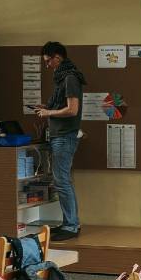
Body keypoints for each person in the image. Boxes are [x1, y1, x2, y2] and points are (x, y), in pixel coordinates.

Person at [35, 42, 85, 241]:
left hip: (65, 136)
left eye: (48, 61)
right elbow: (63, 106)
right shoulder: (62, 78)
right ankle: (69, 223)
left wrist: (49, 112)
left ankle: (71, 226)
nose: (47, 66)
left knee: (62, 181)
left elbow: (72, 109)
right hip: (60, 136)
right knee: (62, 180)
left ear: (58, 57)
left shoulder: (70, 78)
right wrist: (47, 106)